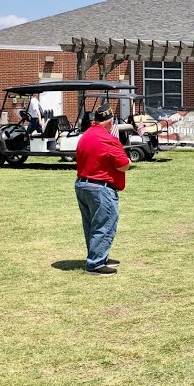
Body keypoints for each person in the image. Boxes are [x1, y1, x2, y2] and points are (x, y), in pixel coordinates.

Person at [75, 104, 131, 276]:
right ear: (110, 121)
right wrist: (129, 161)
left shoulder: (86, 135)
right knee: (105, 224)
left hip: (83, 184)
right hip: (100, 187)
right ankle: (96, 263)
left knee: (91, 224)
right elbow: (123, 165)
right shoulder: (108, 139)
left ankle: (99, 256)